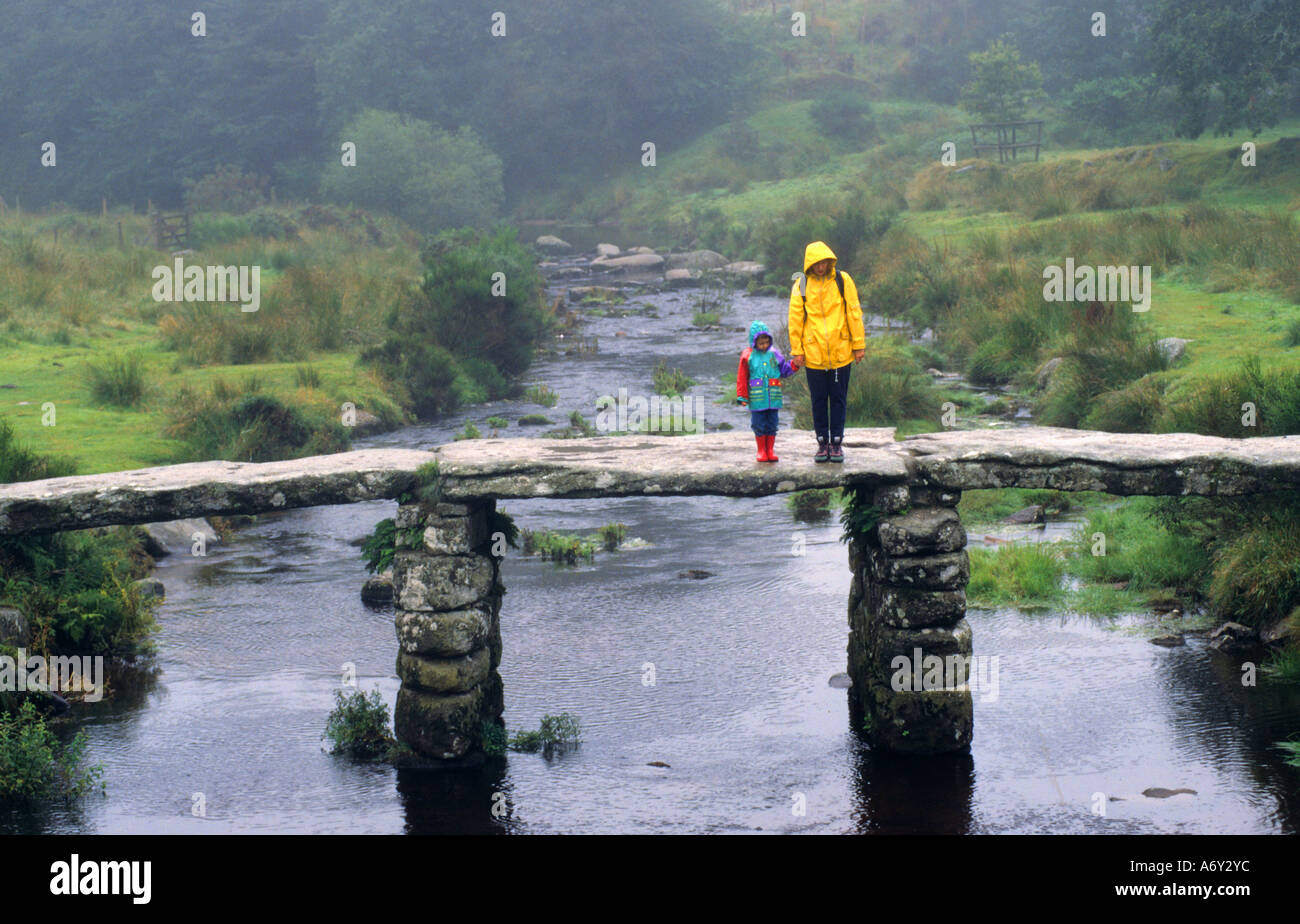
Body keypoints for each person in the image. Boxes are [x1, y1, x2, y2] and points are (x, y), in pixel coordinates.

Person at [788, 241, 865, 463]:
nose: (820, 267)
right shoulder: (801, 283)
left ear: (830, 261)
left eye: (824, 263)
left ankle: (837, 444)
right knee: (818, 400)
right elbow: (795, 318)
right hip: (813, 355)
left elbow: (853, 311)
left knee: (839, 399)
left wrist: (858, 345)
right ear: (809, 264)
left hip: (841, 352)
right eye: (816, 263)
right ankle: (822, 443)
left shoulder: (843, 280)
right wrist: (797, 350)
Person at [735, 320, 798, 462]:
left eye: (766, 342)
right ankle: (761, 450)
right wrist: (742, 396)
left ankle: (770, 450)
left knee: (772, 424)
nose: (764, 345)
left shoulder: (774, 354)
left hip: (774, 397)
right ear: (753, 341)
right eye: (760, 343)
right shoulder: (748, 355)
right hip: (757, 398)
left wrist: (794, 365)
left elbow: (784, 371)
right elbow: (742, 377)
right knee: (758, 424)